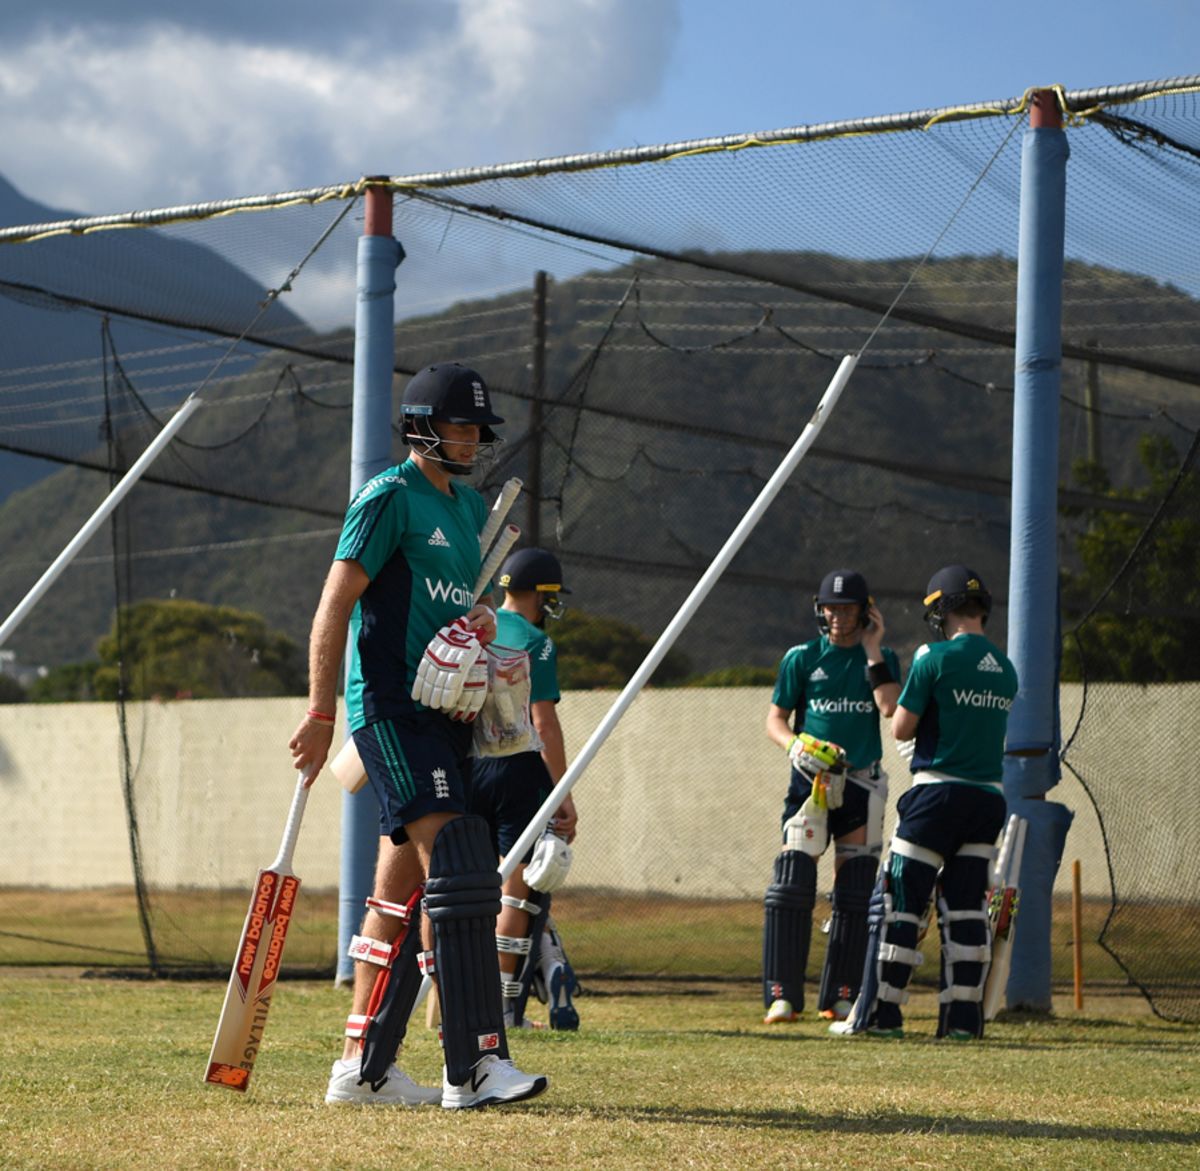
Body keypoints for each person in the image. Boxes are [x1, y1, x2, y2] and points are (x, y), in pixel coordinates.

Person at [288, 362, 548, 1109]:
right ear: (421, 428)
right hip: (392, 711)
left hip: (448, 717)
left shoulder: (468, 511)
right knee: (462, 862)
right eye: (460, 426)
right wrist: (319, 712)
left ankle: (360, 1067)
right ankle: (472, 1064)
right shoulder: (386, 498)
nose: (472, 439)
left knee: (395, 893)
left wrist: (483, 622)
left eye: (477, 429)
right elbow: (334, 605)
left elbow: (459, 609)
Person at [834, 564, 1017, 1040]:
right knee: (966, 910)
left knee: (901, 903)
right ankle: (961, 1022)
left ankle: (883, 1017)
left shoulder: (933, 658)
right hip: (988, 800)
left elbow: (900, 726)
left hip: (936, 794)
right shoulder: (1007, 669)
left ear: (941, 612)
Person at [761, 569, 901, 1024]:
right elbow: (775, 720)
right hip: (811, 781)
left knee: (856, 888)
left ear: (866, 611)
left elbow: (888, 708)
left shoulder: (883, 658)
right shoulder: (802, 658)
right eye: (831, 608)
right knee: (793, 881)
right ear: (820, 611)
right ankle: (782, 996)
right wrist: (796, 745)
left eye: (848, 608)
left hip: (861, 782)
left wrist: (874, 648)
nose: (839, 617)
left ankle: (842, 994)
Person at [468, 546, 581, 1031]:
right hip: (516, 769)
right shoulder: (538, 642)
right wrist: (563, 793)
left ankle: (454, 998)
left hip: (467, 767)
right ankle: (504, 1008)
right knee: (516, 889)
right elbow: (543, 721)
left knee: (464, 884)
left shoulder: (475, 624)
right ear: (541, 595)